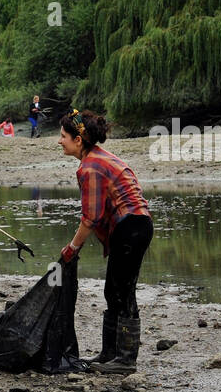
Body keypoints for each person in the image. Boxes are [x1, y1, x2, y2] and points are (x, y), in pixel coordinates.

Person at [57, 108, 153, 373]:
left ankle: (126, 360)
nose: (59, 141)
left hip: (131, 226)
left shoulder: (90, 167)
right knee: (113, 290)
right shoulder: (99, 158)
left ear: (78, 140)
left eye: (63, 136)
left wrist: (72, 248)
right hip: (135, 226)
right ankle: (110, 353)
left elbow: (91, 218)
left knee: (123, 292)